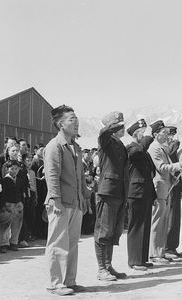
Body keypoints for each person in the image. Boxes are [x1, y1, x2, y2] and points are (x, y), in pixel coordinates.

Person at [44, 105, 90, 296]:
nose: (76, 121)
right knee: (57, 243)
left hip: (75, 202)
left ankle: (69, 280)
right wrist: (55, 199)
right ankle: (55, 283)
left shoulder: (75, 147)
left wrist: (85, 196)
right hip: (60, 202)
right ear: (60, 124)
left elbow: (80, 176)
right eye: (71, 119)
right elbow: (52, 175)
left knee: (71, 243)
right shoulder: (54, 146)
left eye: (76, 118)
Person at [148, 120, 182, 264]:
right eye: (164, 132)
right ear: (155, 134)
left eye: (167, 132)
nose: (167, 135)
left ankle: (160, 251)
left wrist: (173, 179)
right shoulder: (154, 148)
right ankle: (154, 253)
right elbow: (161, 167)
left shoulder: (162, 148)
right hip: (159, 188)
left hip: (166, 187)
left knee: (164, 222)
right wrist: (179, 165)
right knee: (157, 222)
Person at [94, 111, 129, 281]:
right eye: (119, 125)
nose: (123, 127)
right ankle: (101, 269)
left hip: (119, 191)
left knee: (114, 231)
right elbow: (103, 133)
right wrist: (110, 126)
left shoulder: (119, 143)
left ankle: (108, 266)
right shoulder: (106, 140)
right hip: (107, 191)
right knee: (103, 231)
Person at [125, 119, 157, 270]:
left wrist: (154, 195)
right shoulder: (131, 148)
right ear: (136, 134)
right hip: (135, 193)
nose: (145, 136)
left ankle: (142, 258)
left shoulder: (144, 152)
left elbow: (149, 174)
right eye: (143, 133)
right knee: (136, 226)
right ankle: (134, 260)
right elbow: (136, 152)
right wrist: (148, 138)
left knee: (145, 226)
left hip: (145, 193)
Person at [165, 126, 182, 258]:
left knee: (175, 216)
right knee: (170, 216)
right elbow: (170, 154)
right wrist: (175, 142)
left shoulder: (173, 148)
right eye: (171, 135)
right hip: (169, 185)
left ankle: (172, 246)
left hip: (176, 184)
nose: (173, 137)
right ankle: (167, 246)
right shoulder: (166, 147)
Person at [0, 160, 23, 253]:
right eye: (12, 168)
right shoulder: (5, 180)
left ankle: (14, 242)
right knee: (5, 225)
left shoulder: (19, 180)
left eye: (16, 169)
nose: (14, 170)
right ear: (7, 169)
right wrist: (3, 205)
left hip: (18, 204)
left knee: (17, 225)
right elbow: (2, 195)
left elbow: (22, 192)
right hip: (7, 204)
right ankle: (3, 244)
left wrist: (21, 203)